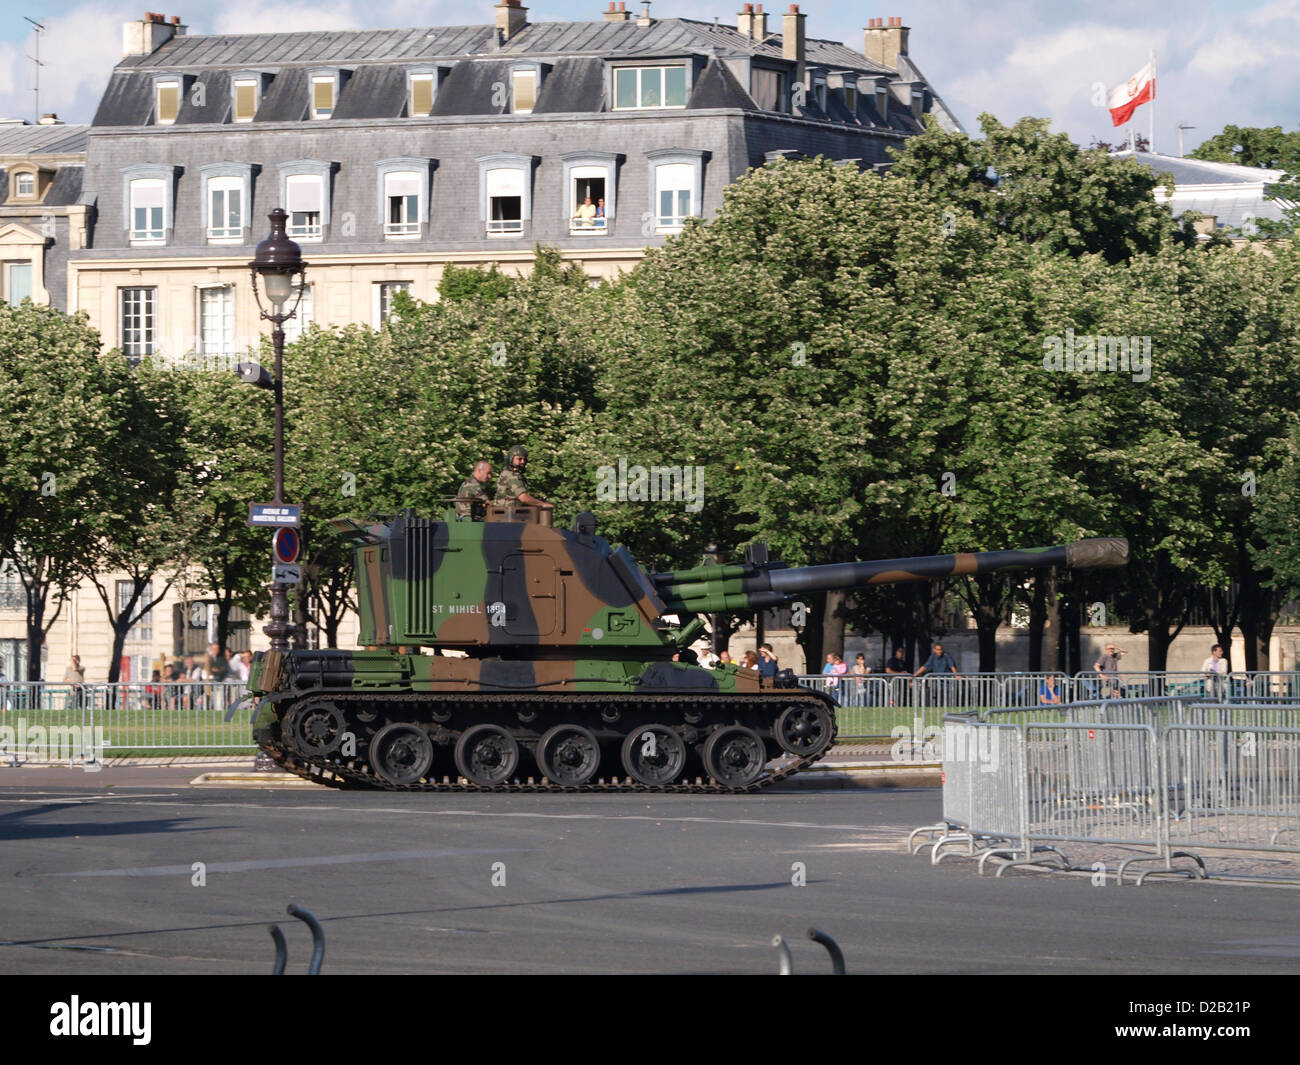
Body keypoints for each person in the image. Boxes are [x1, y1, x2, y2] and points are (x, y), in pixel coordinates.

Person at [495, 445, 552, 511]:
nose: (523, 462)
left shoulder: (508, 473)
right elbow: (523, 498)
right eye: (519, 459)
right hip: (509, 515)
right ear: (511, 459)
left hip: (511, 513)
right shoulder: (511, 475)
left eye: (524, 459)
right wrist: (542, 504)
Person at [915, 641, 960, 707]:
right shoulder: (932, 657)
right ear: (934, 650)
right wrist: (915, 674)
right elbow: (925, 666)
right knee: (936, 699)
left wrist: (956, 675)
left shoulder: (946, 656)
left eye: (941, 649)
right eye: (937, 650)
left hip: (947, 683)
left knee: (947, 701)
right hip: (937, 683)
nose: (939, 651)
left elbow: (952, 666)